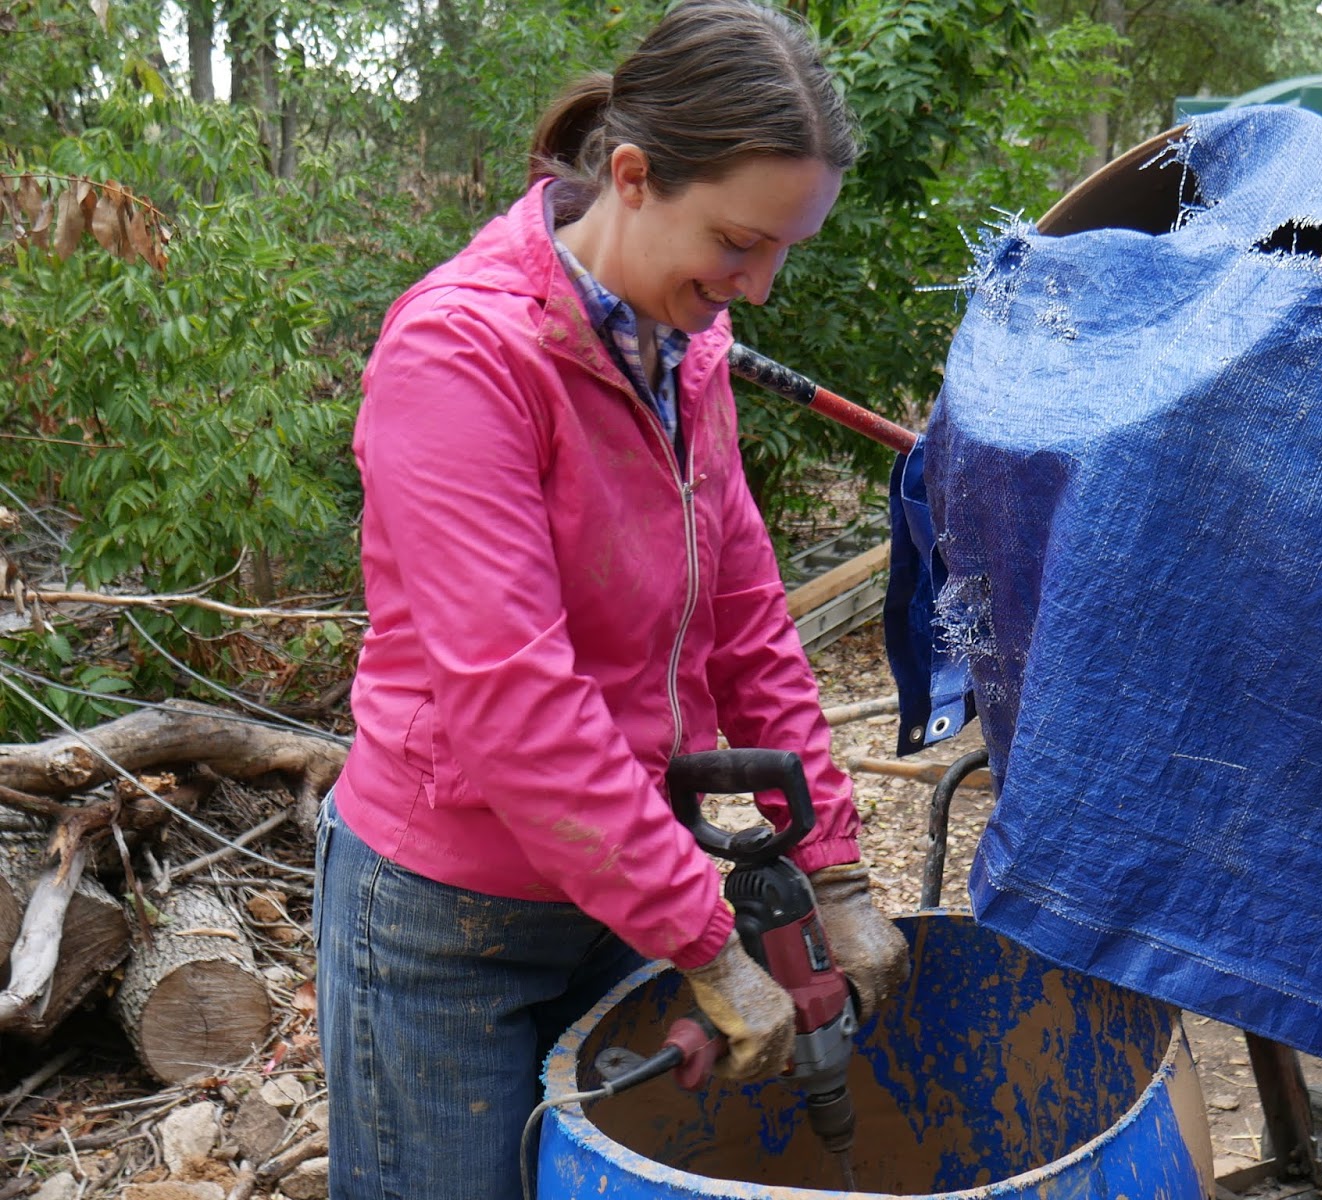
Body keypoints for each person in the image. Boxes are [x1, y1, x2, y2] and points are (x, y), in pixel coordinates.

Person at [311, 2, 910, 1196]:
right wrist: (700, 932)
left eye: (784, 249)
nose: (759, 285)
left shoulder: (686, 349)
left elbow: (748, 623)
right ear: (630, 178)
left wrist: (833, 867)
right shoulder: (461, 358)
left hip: (626, 883)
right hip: (451, 916)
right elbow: (514, 703)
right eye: (740, 241)